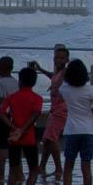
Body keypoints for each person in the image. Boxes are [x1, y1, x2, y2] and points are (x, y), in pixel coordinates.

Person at [0, 67, 44, 185]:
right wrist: (23, 129)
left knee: (13, 172)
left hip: (14, 138)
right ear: (34, 82)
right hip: (29, 138)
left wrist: (14, 127)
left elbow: (2, 114)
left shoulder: (12, 97)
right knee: (33, 170)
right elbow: (36, 115)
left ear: (20, 80)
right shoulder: (37, 98)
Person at [31, 46, 70, 177]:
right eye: (56, 57)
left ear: (67, 60)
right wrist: (40, 69)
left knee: (50, 138)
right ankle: (42, 167)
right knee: (47, 139)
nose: (58, 60)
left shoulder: (66, 72)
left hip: (61, 109)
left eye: (62, 58)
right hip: (55, 109)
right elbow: (53, 77)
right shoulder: (58, 73)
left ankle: (59, 168)